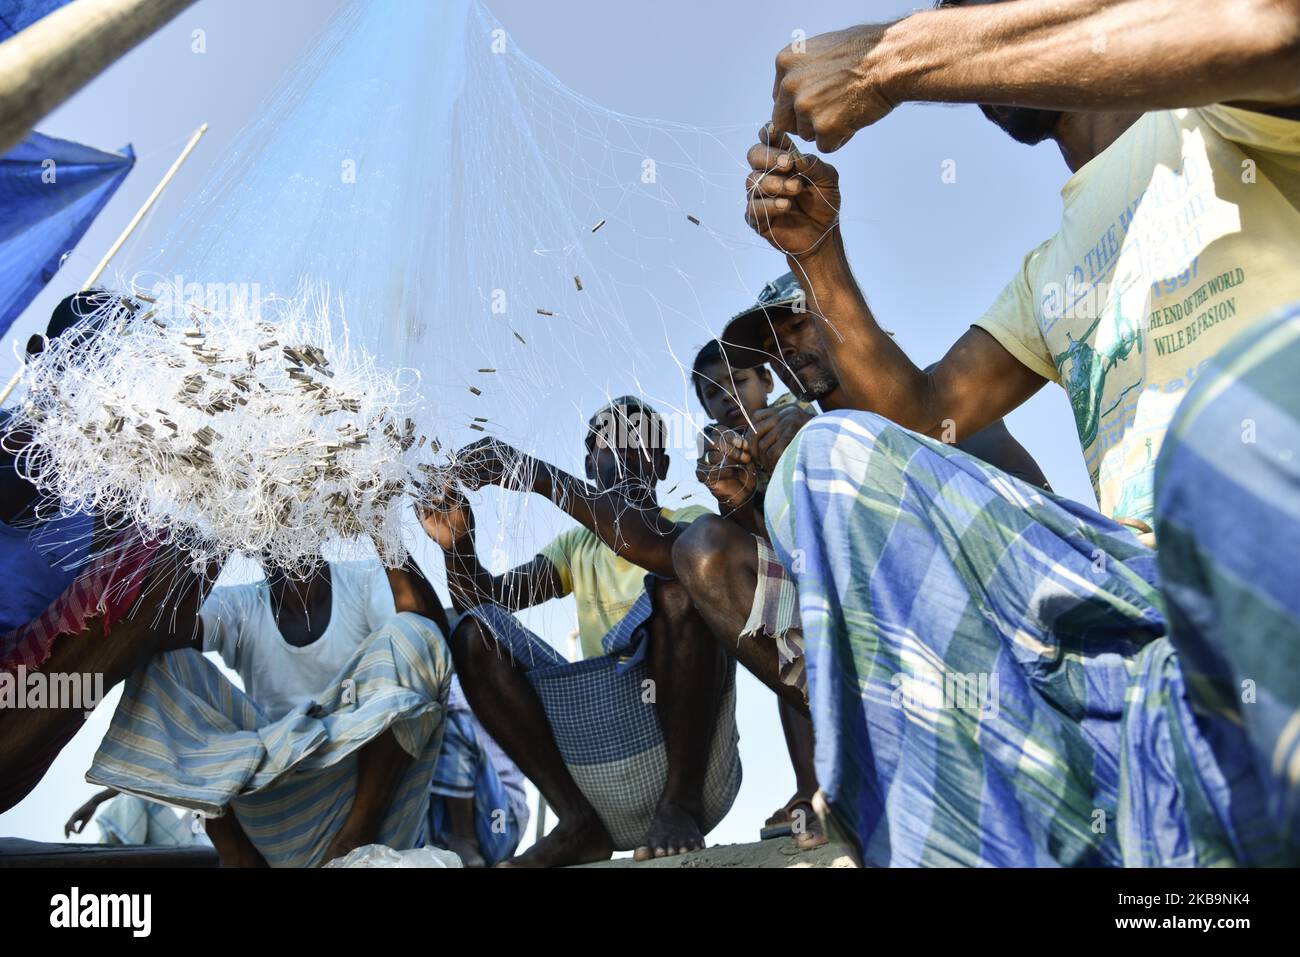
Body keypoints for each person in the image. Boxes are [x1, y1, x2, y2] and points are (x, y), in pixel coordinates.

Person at [737, 0, 1300, 864]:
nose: (960, 25)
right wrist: (818, 253)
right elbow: (922, 419)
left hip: (1262, 557)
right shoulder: (1049, 273)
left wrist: (893, 60)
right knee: (825, 463)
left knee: (1222, 441)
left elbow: (1273, 28)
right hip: (1137, 615)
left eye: (972, 12)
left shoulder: (1219, 116)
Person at [420, 397, 741, 866]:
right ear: (591, 465)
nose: (627, 452)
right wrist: (457, 546)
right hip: (602, 755)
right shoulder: (577, 545)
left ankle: (680, 802)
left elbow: (655, 549)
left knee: (679, 588)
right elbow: (483, 604)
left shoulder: (691, 523)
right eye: (609, 445)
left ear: (663, 465)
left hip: (688, 751)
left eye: (642, 444)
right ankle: (577, 822)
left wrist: (537, 474)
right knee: (474, 633)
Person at [87, 555, 454, 867]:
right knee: (163, 664)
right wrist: (213, 538)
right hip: (276, 810)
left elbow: (430, 642)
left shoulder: (362, 580)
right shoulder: (244, 606)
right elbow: (157, 630)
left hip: (370, 802)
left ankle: (351, 843)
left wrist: (382, 527)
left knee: (415, 634)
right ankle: (239, 858)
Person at [0, 292, 206, 813]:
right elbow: (18, 479)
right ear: (37, 354)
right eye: (90, 360)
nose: (102, 386)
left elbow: (167, 619)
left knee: (182, 549)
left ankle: (195, 782)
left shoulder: (111, 506)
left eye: (120, 374)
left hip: (17, 691)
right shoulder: (11, 435)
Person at [425, 673, 530, 867]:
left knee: (446, 723)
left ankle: (464, 838)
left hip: (498, 825)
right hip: (440, 837)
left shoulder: (470, 681)